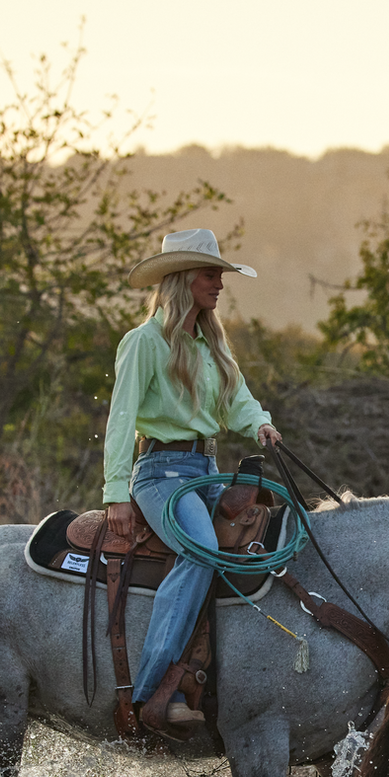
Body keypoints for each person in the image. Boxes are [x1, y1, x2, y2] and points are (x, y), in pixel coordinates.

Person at [104, 229, 281, 730]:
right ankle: (151, 691)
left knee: (261, 545)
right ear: (183, 279)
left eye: (221, 274)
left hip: (207, 470)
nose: (219, 284)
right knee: (202, 549)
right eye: (210, 274)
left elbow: (238, 400)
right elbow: (120, 419)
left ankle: (224, 681)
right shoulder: (143, 343)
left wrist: (260, 422)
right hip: (160, 473)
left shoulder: (211, 345)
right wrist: (115, 493)